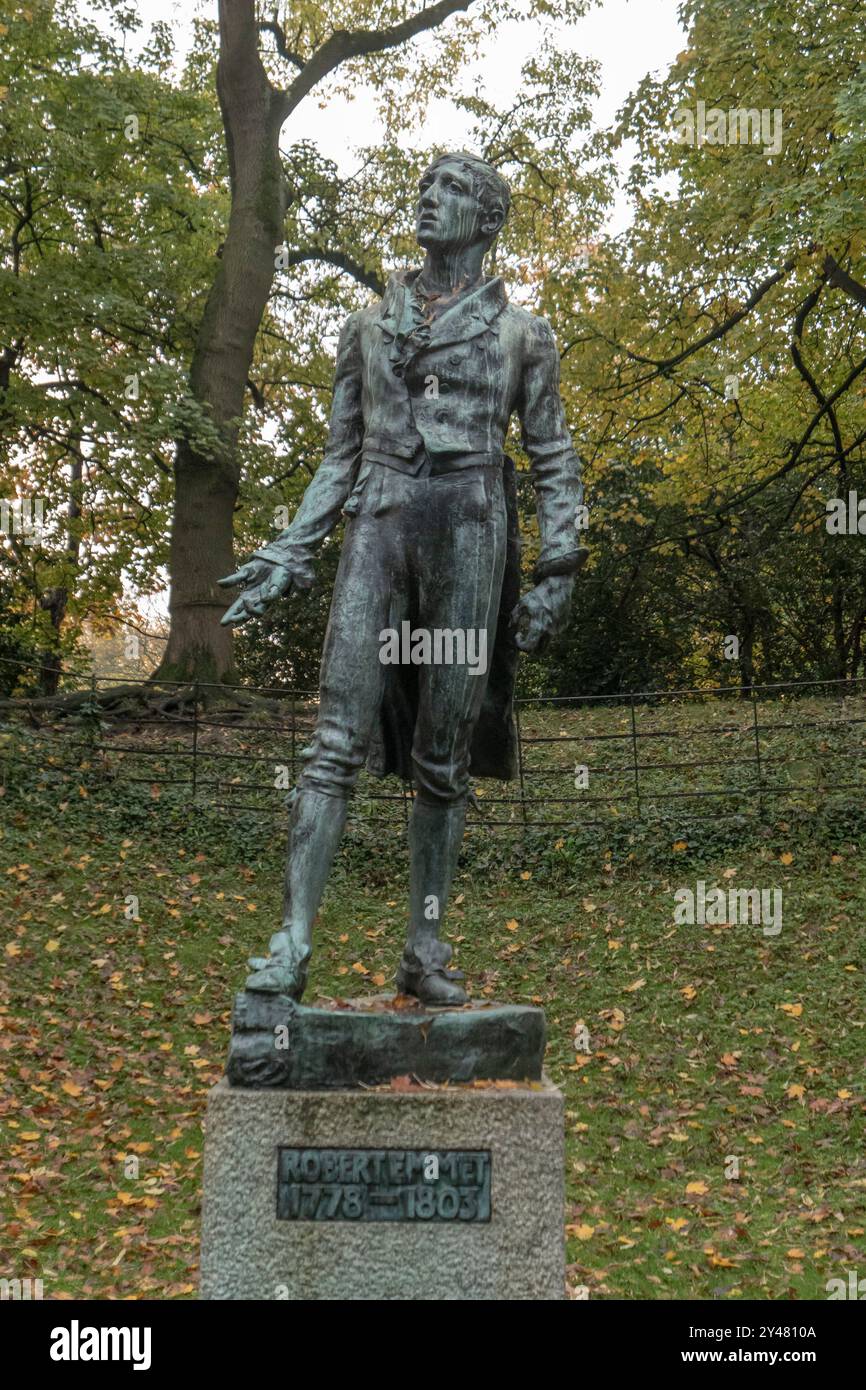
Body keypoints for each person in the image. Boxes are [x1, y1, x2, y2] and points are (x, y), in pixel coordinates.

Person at [220, 151, 586, 1004]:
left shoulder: (521, 332)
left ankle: (424, 949)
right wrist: (289, 548)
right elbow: (338, 455)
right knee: (332, 745)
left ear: (489, 220)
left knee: (441, 758)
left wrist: (558, 567)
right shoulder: (367, 325)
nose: (428, 199)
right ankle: (292, 943)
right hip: (379, 523)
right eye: (423, 187)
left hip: (468, 530)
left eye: (451, 189)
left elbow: (554, 456)